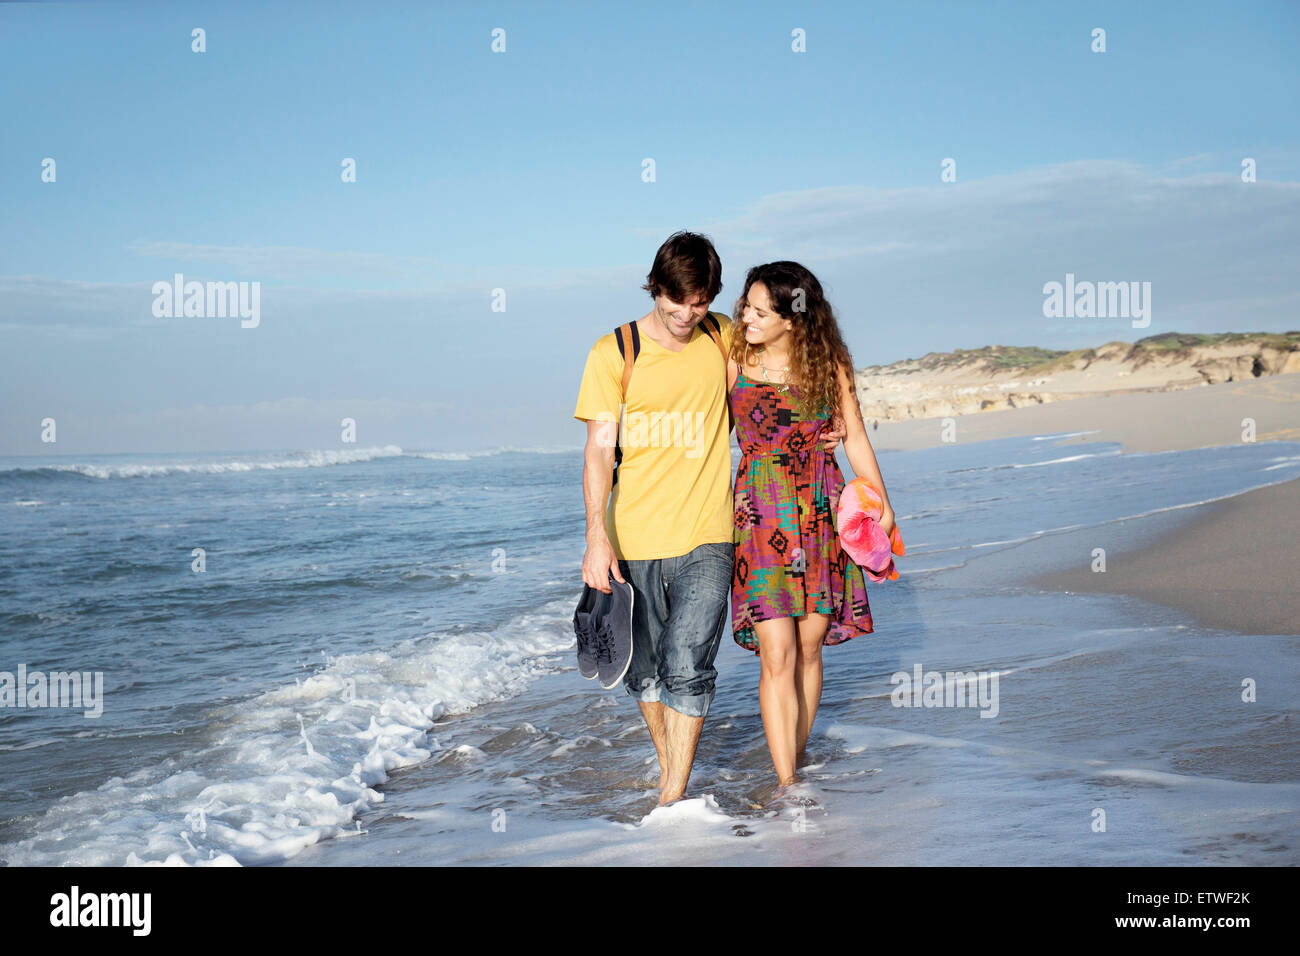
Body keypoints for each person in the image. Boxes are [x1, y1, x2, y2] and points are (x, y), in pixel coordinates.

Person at [573, 232, 843, 805]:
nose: (687, 314)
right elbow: (597, 450)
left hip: (711, 532)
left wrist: (826, 421)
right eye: (677, 300)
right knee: (646, 672)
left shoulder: (723, 336)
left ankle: (672, 795)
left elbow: (787, 363)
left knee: (688, 662)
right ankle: (670, 770)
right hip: (634, 536)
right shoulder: (614, 352)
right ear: (655, 288)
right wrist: (597, 537)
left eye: (700, 302)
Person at [725, 260, 895, 790]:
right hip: (759, 514)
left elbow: (856, 437)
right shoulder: (733, 358)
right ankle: (787, 785)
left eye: (760, 312)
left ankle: (793, 760)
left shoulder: (829, 363)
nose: (746, 318)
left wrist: (884, 506)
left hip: (819, 508)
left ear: (792, 318)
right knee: (776, 650)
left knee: (810, 644)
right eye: (746, 307)